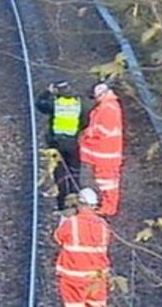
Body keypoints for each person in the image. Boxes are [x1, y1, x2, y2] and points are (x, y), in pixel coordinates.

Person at [54, 188, 112, 307]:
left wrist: (64, 218)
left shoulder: (71, 223)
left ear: (80, 204)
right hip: (97, 277)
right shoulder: (103, 225)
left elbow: (58, 238)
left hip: (73, 277)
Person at [36, 80, 83, 210]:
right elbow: (85, 121)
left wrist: (47, 92)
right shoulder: (78, 103)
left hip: (56, 144)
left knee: (60, 173)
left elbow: (40, 104)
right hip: (73, 143)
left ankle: (63, 205)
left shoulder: (55, 103)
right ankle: (77, 203)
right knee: (74, 173)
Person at [79, 83, 124, 216]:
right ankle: (108, 204)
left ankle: (109, 208)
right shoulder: (108, 106)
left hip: (105, 154)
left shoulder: (108, 108)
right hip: (105, 153)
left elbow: (102, 130)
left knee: (107, 182)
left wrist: (87, 133)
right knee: (105, 181)